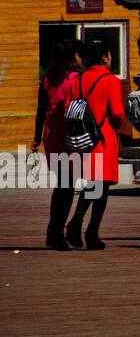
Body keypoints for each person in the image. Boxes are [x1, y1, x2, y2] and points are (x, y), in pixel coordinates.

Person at [64, 40, 127, 251]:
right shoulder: (111, 80)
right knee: (101, 185)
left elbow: (69, 108)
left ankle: (83, 227)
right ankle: (86, 228)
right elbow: (117, 112)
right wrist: (116, 124)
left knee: (95, 183)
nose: (111, 58)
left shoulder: (78, 79)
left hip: (83, 138)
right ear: (103, 58)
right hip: (103, 137)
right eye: (109, 55)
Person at [34, 39, 81, 251]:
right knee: (68, 185)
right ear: (71, 59)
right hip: (70, 134)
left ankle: (54, 230)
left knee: (61, 184)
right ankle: (57, 232)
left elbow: (40, 111)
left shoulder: (46, 81)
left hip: (51, 133)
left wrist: (36, 138)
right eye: (78, 55)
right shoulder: (76, 79)